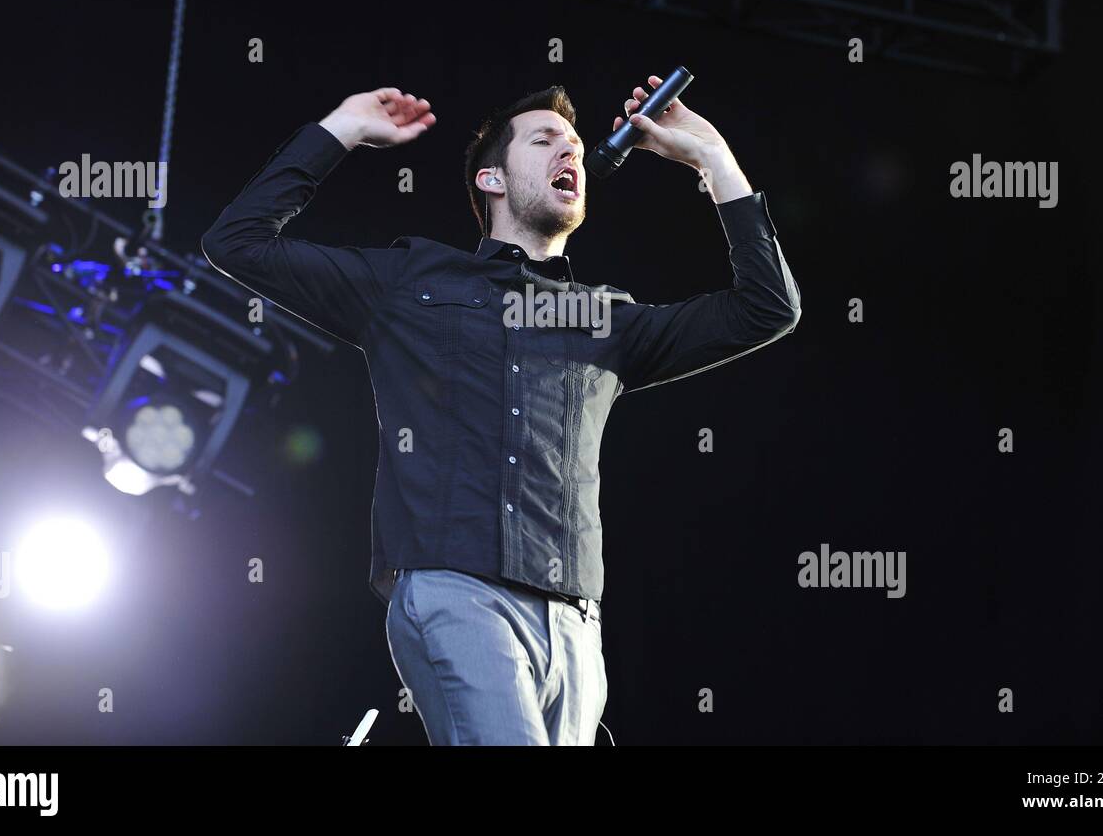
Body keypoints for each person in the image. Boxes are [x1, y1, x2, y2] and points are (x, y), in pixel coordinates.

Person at [200, 77, 802, 744]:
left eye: (574, 145)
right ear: (491, 178)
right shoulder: (410, 281)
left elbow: (768, 308)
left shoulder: (608, 320)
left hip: (575, 622)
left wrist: (714, 161)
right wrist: (339, 128)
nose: (567, 153)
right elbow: (239, 242)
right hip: (457, 591)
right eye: (545, 140)